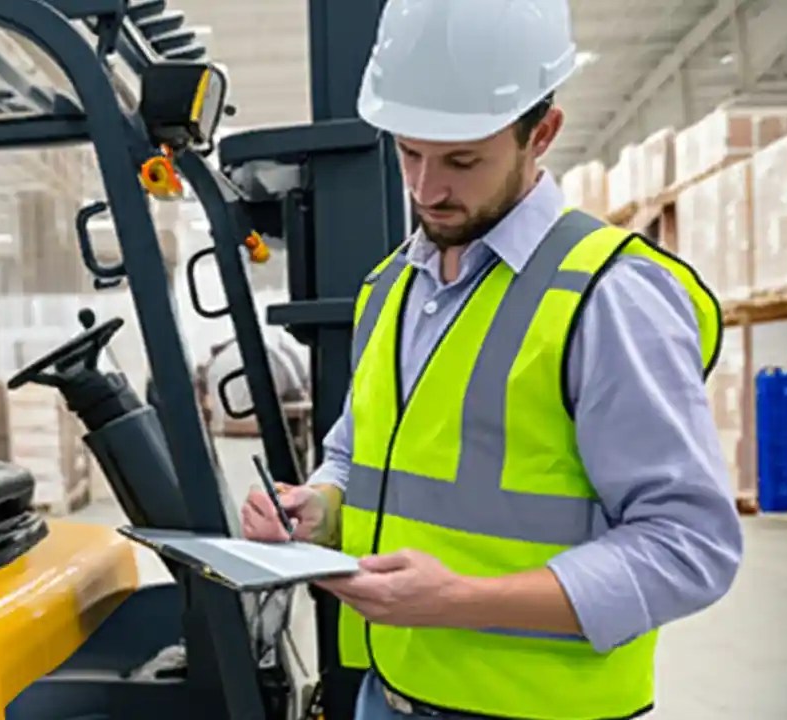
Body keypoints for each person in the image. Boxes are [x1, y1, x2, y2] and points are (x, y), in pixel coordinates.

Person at [239, 1, 744, 718]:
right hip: (390, 697)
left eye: (462, 160)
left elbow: (689, 546)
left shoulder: (606, 297)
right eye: (408, 153)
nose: (426, 189)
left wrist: (463, 601)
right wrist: (317, 512)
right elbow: (357, 458)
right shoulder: (391, 288)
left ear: (542, 133)